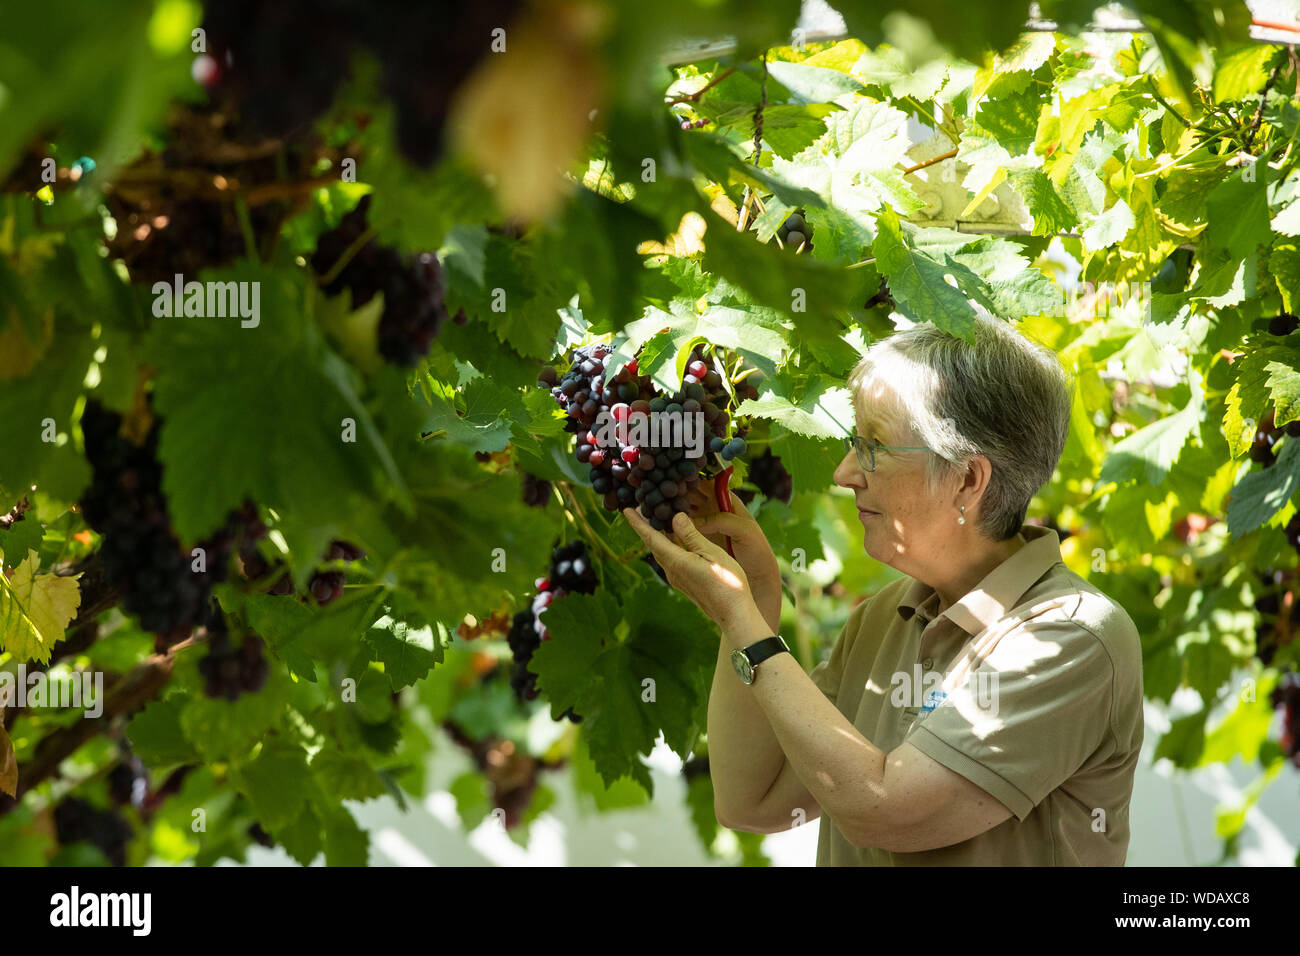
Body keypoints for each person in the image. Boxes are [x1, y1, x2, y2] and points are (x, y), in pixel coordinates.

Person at [622, 317, 1144, 865]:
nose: (846, 472)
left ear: (967, 479)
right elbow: (749, 800)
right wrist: (753, 604)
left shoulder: (1069, 637)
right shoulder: (880, 621)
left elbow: (882, 808)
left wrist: (751, 633)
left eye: (873, 446)